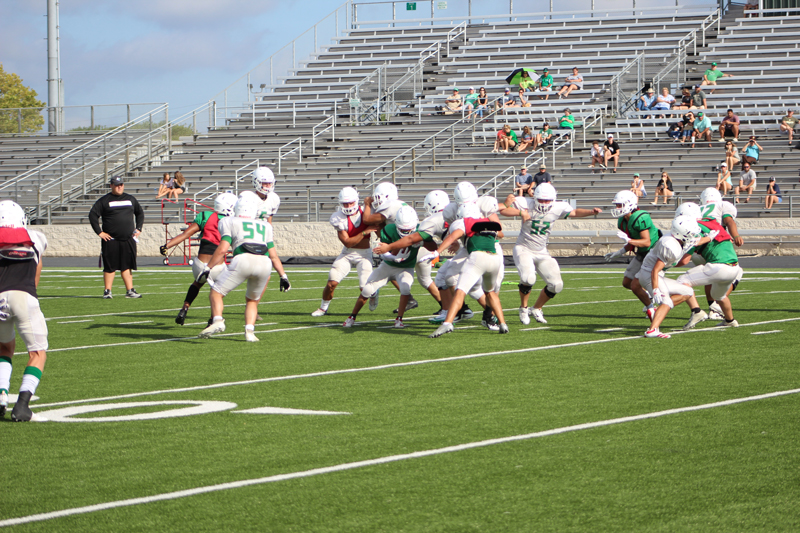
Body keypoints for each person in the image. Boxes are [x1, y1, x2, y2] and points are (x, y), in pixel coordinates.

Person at [499, 184, 602, 325]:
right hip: (524, 248)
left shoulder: (559, 207)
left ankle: (536, 308)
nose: (544, 203)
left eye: (547, 201)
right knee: (528, 278)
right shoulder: (525, 203)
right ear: (535, 197)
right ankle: (523, 308)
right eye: (541, 200)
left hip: (542, 251)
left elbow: (575, 213)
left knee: (556, 285)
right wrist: (519, 212)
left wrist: (591, 212)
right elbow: (504, 210)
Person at [197, 192, 291, 342]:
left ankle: (218, 321)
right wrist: (283, 276)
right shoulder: (265, 225)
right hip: (264, 263)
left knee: (216, 293)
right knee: (252, 301)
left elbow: (222, 249)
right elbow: (273, 255)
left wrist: (208, 268)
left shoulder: (229, 221)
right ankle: (249, 332)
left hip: (243, 259)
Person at [428, 203, 509, 337]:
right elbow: (500, 234)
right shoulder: (487, 221)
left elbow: (452, 236)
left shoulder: (464, 222)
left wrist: (437, 252)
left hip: (478, 258)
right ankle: (502, 323)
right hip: (495, 259)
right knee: (490, 292)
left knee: (460, 291)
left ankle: (447, 324)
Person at [0, 201, 48, 421]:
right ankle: (22, 405)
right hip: (24, 296)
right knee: (37, 353)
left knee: (4, 348)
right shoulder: (35, 237)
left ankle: (2, 394)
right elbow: (35, 277)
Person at [160, 192, 238, 325]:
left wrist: (166, 245)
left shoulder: (205, 215)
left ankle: (185, 307)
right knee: (217, 293)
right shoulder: (233, 222)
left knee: (197, 283)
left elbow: (186, 234)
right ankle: (213, 318)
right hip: (217, 266)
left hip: (199, 264)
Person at [372, 190, 451, 320]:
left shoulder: (391, 210)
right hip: (421, 249)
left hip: (414, 249)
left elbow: (371, 222)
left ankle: (409, 299)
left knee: (391, 268)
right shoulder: (400, 208)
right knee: (425, 280)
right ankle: (445, 306)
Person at [344, 205, 422, 329]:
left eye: (409, 230)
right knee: (367, 290)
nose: (406, 232)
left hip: (405, 267)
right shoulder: (389, 230)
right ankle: (352, 317)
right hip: (388, 265)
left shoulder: (421, 230)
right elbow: (385, 254)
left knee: (405, 288)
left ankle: (399, 319)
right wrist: (393, 257)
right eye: (403, 229)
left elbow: (430, 242)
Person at [311, 187, 378, 317]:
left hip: (364, 254)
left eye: (351, 203)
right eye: (345, 203)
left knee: (365, 288)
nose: (348, 206)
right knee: (331, 282)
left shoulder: (365, 211)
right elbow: (347, 242)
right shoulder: (338, 217)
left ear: (356, 201)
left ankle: (374, 293)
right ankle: (323, 308)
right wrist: (364, 232)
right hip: (347, 253)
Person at [639, 215, 708, 338]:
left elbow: (695, 242)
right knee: (666, 301)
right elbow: (655, 270)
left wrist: (711, 237)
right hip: (650, 275)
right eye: (690, 233)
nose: (693, 236)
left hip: (656, 275)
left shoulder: (678, 240)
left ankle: (660, 311)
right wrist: (655, 290)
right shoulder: (670, 245)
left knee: (688, 291)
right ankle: (652, 330)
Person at [360, 181, 419, 312]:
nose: (376, 200)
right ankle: (409, 298)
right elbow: (381, 227)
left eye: (378, 197)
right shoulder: (397, 204)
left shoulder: (390, 205)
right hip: (406, 240)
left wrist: (367, 204)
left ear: (386, 196)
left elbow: (367, 220)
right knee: (391, 269)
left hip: (403, 242)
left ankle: (446, 307)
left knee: (426, 278)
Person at [676, 216, 743, 328]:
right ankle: (730, 320)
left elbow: (684, 260)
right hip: (734, 267)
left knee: (682, 281)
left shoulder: (694, 230)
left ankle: (697, 311)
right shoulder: (712, 223)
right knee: (719, 296)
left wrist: (665, 265)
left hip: (719, 266)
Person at [604, 190, 660, 319]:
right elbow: (633, 240)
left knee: (635, 285)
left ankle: (651, 307)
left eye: (620, 205)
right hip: (641, 253)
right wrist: (621, 251)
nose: (617, 208)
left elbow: (646, 242)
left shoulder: (640, 217)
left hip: (653, 253)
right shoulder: (623, 221)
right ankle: (649, 299)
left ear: (630, 204)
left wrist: (628, 241)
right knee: (627, 282)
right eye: (616, 205)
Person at [89, 176, 144, 299]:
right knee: (110, 266)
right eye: (117, 185)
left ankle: (130, 290)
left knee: (127, 265)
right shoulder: (105, 200)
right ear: (111, 186)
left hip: (128, 238)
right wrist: (100, 232)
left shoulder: (130, 199)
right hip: (111, 239)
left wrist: (139, 228)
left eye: (121, 185)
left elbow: (139, 213)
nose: (119, 187)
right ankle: (107, 291)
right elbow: (93, 215)